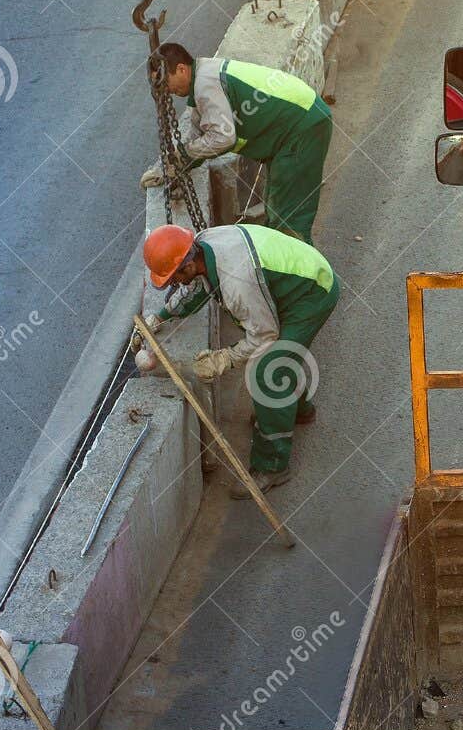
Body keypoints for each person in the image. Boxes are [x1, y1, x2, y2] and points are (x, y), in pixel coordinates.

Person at [139, 222, 339, 494]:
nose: (174, 284)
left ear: (187, 265)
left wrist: (223, 359)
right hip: (295, 276)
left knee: (267, 371)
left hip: (312, 293)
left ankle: (272, 466)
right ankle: (300, 411)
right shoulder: (202, 245)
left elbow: (264, 336)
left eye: (174, 278)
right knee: (279, 362)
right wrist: (160, 316)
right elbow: (199, 289)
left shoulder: (236, 281)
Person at [161, 42, 332, 243]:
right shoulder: (205, 73)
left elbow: (223, 137)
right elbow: (200, 132)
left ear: (181, 69)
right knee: (276, 207)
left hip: (302, 127)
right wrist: (176, 162)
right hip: (297, 123)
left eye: (165, 82)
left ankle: (303, 271)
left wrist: (185, 154)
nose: (166, 90)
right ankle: (285, 263)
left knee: (288, 219)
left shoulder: (205, 85)